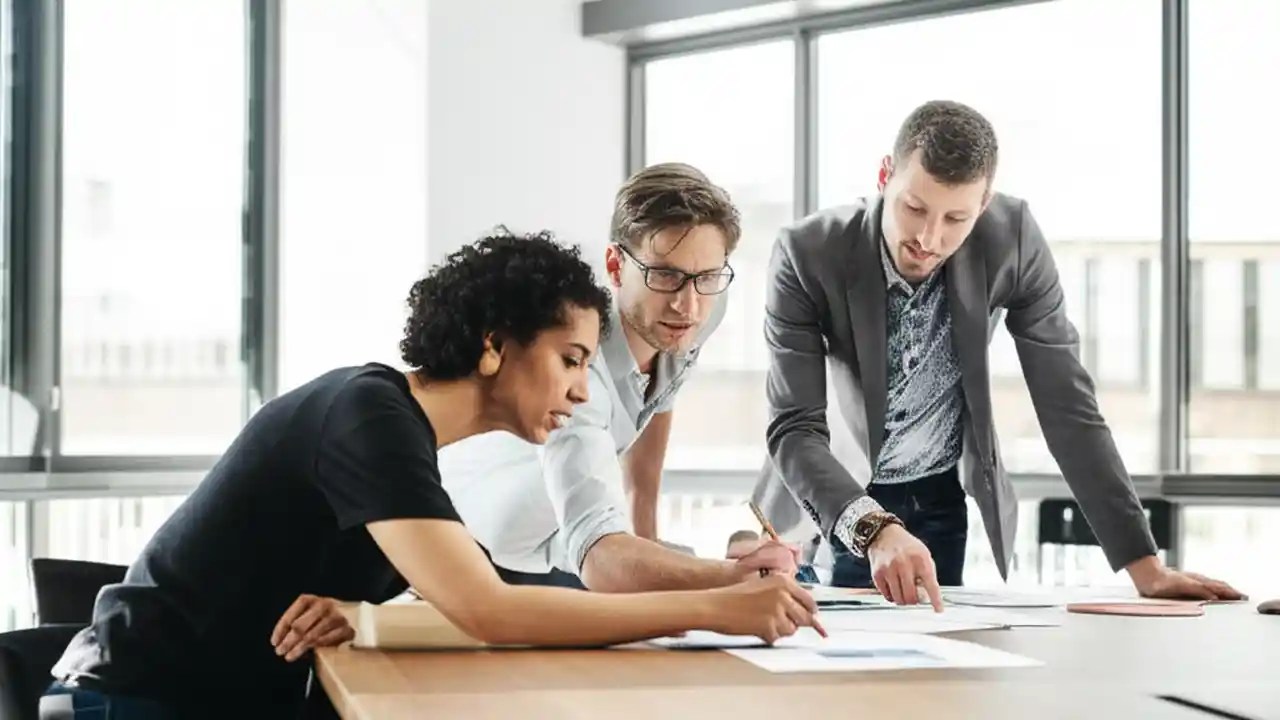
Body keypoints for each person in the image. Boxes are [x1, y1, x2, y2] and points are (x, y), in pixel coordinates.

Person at [43, 231, 820, 719]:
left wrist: (366, 615)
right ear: (493, 346)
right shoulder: (366, 416)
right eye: (571, 360)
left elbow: (503, 596)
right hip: (133, 699)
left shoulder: (406, 449)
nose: (584, 391)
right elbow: (493, 613)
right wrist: (715, 609)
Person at [753, 100, 1244, 609]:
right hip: (838, 495)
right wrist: (872, 527)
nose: (928, 238)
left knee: (938, 664)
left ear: (983, 205)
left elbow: (1067, 406)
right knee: (841, 664)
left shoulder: (1013, 239)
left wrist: (1145, 566)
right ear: (884, 176)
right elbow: (794, 426)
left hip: (939, 494)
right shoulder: (808, 252)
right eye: (914, 208)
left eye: (955, 218)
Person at [439, 163, 799, 591]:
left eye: (706, 278)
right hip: (488, 555)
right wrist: (735, 579)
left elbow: (661, 395)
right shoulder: (578, 376)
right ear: (615, 266)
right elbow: (599, 555)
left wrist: (645, 533)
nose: (688, 307)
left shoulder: (703, 306)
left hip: (577, 543)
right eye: (665, 275)